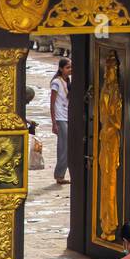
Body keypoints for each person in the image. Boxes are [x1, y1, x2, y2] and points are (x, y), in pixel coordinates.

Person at [50, 57, 71, 185]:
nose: (70, 70)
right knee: (63, 147)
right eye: (67, 67)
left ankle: (61, 174)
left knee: (67, 146)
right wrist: (54, 123)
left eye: (71, 67)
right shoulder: (56, 83)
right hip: (60, 117)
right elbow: (52, 104)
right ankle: (59, 175)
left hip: (67, 116)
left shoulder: (68, 81)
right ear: (61, 69)